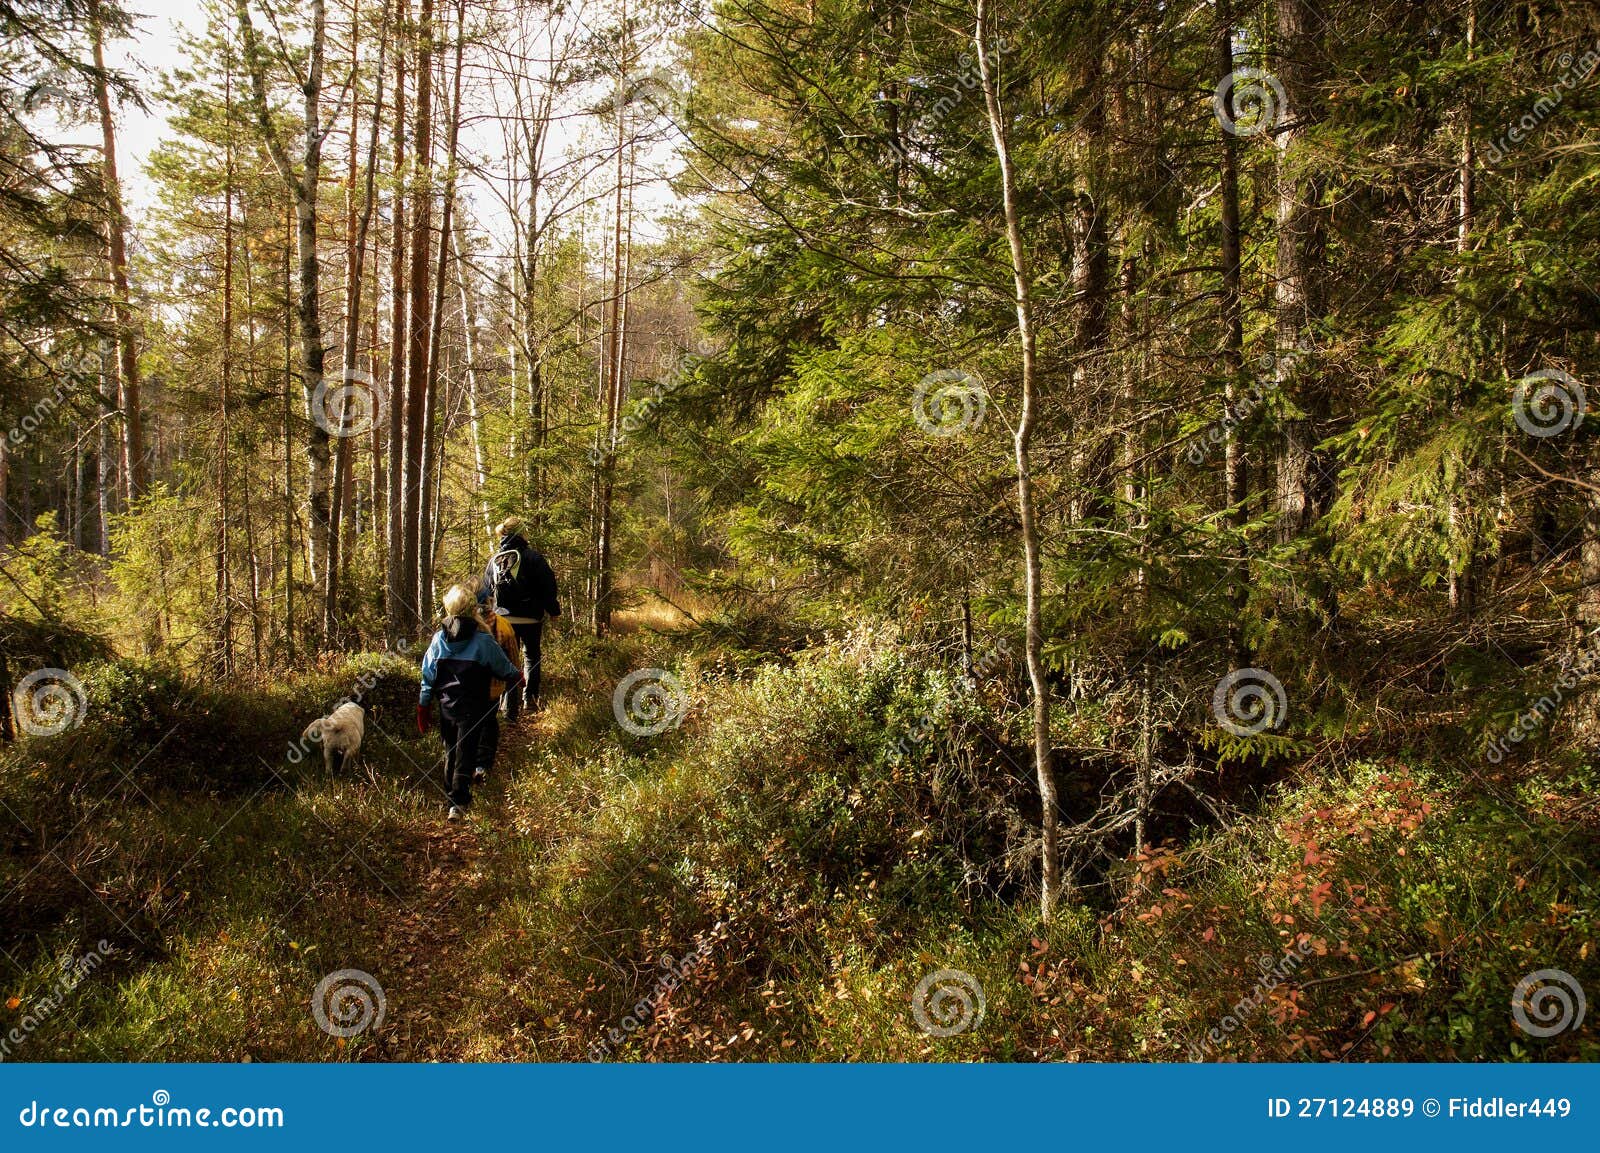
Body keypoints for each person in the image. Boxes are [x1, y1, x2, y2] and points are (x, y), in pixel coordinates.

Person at [418, 583, 523, 821]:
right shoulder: (482, 639)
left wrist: (423, 705)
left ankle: (451, 797)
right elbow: (502, 665)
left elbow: (428, 675)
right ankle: (458, 801)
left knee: (451, 751)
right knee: (466, 752)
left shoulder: (438, 639)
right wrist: (517, 677)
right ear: (472, 609)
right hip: (474, 706)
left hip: (447, 706)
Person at [482, 517, 561, 720]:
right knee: (531, 657)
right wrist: (554, 612)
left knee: (507, 660)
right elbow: (548, 588)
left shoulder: (494, 561)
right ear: (521, 533)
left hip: (503, 621)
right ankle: (530, 702)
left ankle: (508, 705)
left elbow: (486, 590)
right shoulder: (534, 558)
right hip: (530, 620)